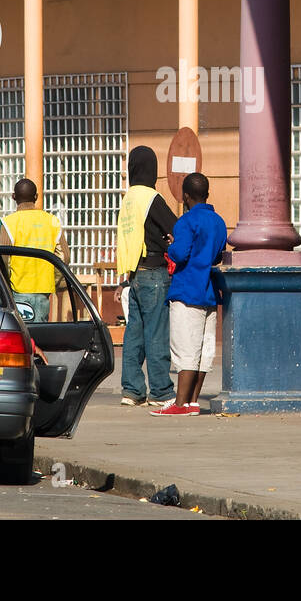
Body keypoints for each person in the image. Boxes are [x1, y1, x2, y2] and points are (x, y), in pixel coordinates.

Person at [150, 172, 227, 417]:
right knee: (203, 350)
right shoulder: (218, 222)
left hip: (187, 291)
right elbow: (217, 256)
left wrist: (172, 245)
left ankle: (180, 404)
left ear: (185, 196)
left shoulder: (185, 221)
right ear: (207, 194)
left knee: (185, 349)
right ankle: (193, 401)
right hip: (209, 292)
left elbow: (180, 254)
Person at [114, 145, 178, 408]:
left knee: (134, 334)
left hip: (134, 274)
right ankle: (161, 391)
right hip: (154, 273)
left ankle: (131, 390)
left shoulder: (128, 198)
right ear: (152, 169)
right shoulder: (152, 198)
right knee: (156, 334)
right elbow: (176, 228)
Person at [0, 178, 69, 323]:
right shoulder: (52, 221)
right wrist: (54, 280)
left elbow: (4, 259)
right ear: (36, 197)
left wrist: (5, 285)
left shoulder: (10, 222)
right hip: (44, 290)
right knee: (41, 336)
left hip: (18, 290)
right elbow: (64, 257)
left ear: (13, 197)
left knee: (23, 336)